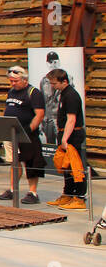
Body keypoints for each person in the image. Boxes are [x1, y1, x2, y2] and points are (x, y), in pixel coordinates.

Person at [0, 65, 44, 203]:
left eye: (16, 81)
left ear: (24, 79)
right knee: (14, 162)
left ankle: (33, 192)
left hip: (27, 134)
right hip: (11, 133)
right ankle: (13, 189)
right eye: (11, 81)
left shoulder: (33, 92)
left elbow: (39, 114)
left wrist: (29, 130)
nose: (13, 83)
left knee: (30, 162)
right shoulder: (11, 92)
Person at [46, 68, 87, 210]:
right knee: (66, 166)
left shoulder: (71, 96)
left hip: (72, 134)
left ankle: (80, 197)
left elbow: (72, 119)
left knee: (76, 166)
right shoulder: (63, 94)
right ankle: (68, 194)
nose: (53, 86)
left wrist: (65, 138)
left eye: (55, 83)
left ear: (64, 81)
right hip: (64, 133)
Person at [39, 51, 61, 145]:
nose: (53, 65)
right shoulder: (44, 81)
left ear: (59, 62)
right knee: (50, 147)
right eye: (50, 62)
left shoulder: (67, 79)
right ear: (47, 64)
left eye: (55, 62)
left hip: (61, 118)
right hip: (48, 120)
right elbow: (42, 101)